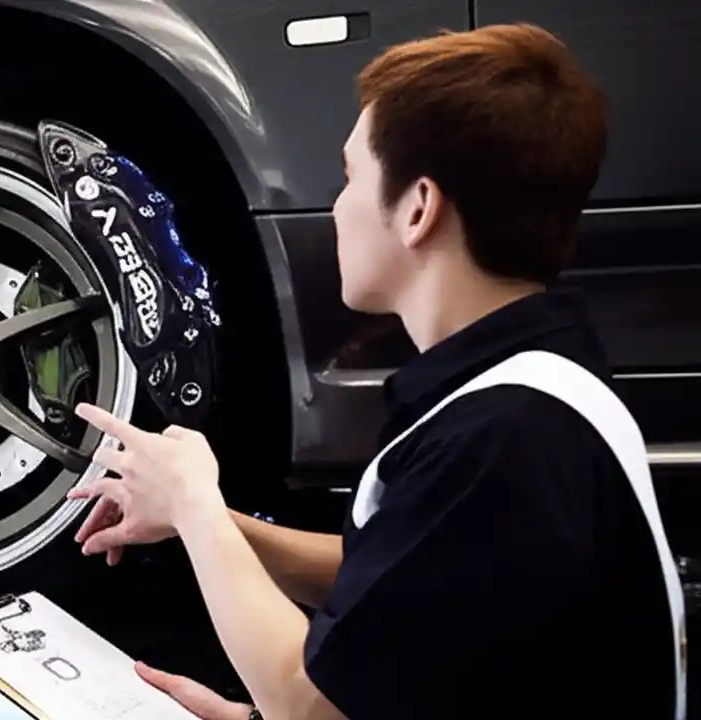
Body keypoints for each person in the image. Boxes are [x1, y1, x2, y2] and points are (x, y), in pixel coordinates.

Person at [68, 22, 686, 720]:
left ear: (418, 208)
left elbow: (313, 708)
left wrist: (195, 501)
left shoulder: (504, 437)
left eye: (350, 177)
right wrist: (207, 528)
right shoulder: (543, 388)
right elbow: (407, 584)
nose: (338, 207)